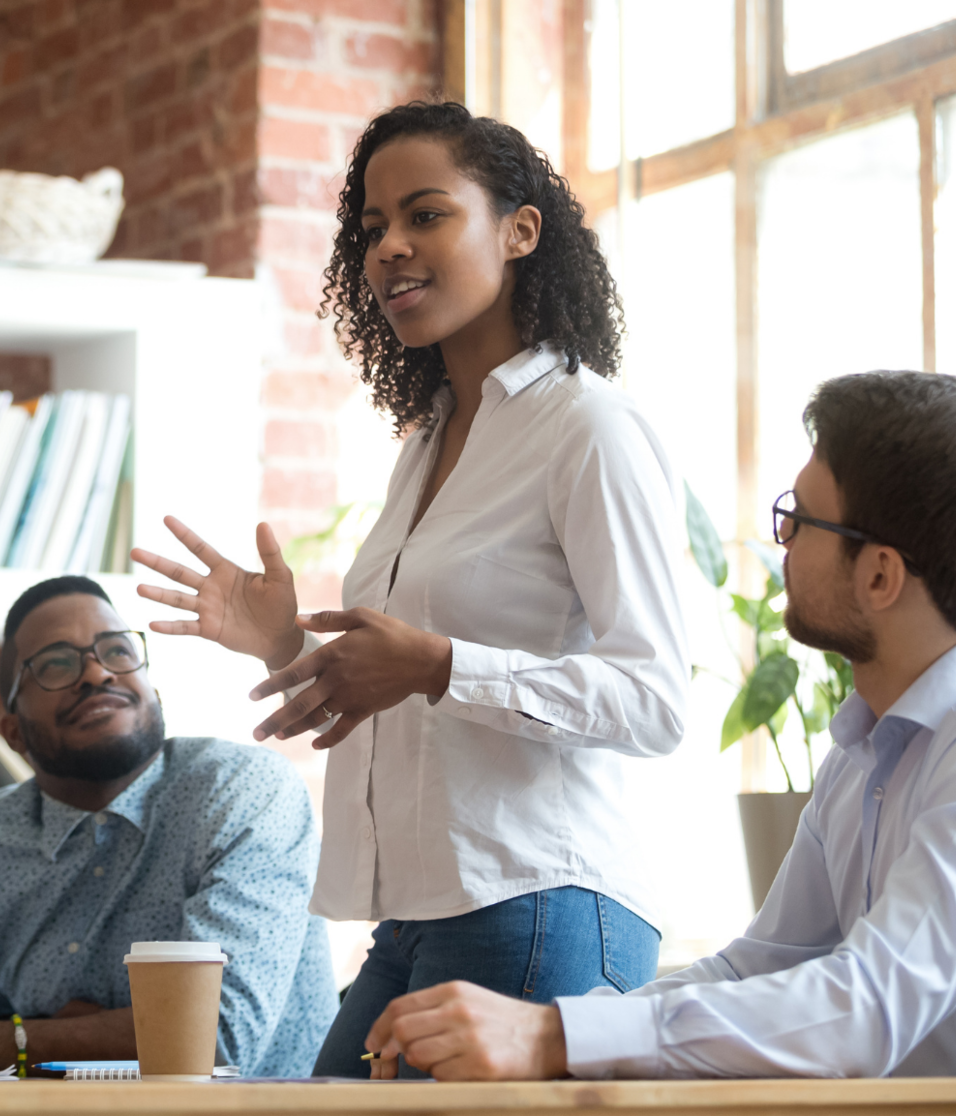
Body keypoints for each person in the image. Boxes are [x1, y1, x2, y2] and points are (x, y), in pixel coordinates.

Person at [131, 100, 689, 1077]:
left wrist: (436, 665)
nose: (389, 247)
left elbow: (654, 700)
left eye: (425, 215)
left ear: (520, 230)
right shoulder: (427, 444)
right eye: (371, 228)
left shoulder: (587, 430)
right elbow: (405, 683)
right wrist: (282, 646)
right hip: (419, 918)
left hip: (543, 903)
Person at [366, 370, 956, 1080]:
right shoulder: (867, 747)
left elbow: (864, 1010)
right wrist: (565, 1031)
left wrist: (556, 1039)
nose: (782, 537)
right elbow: (759, 964)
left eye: (802, 518)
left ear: (881, 577)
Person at [0, 576, 338, 1076]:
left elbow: (212, 1039)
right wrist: (54, 1037)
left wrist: (10, 1041)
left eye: (119, 652)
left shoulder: (241, 791)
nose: (98, 672)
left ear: (155, 693)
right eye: (56, 664)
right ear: (13, 732)